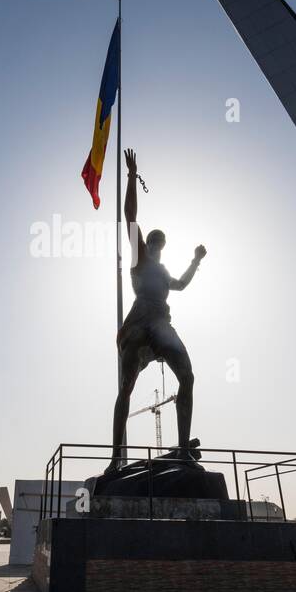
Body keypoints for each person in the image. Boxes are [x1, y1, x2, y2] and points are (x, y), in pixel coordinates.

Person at [107, 148, 206, 472]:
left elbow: (180, 285)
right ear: (148, 245)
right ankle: (114, 459)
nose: (157, 249)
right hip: (139, 322)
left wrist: (195, 261)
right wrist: (132, 176)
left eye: (161, 246)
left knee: (187, 376)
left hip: (162, 324)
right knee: (126, 388)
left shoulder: (162, 271)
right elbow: (130, 215)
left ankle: (182, 450)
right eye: (154, 244)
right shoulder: (140, 257)